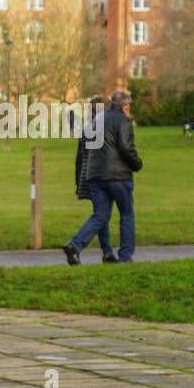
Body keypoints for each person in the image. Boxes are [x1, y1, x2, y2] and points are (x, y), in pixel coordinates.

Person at [63, 90, 142, 265]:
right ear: (125, 106)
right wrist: (137, 164)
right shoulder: (123, 120)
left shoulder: (96, 120)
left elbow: (83, 154)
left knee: (100, 215)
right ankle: (125, 256)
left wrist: (80, 180)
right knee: (127, 214)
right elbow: (126, 147)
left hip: (95, 176)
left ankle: (75, 245)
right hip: (118, 176)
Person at [74, 96, 116, 262]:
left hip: (88, 176)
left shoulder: (86, 128)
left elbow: (79, 158)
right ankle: (76, 244)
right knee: (102, 214)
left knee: (101, 213)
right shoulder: (107, 127)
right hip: (105, 176)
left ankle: (107, 251)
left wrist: (78, 181)